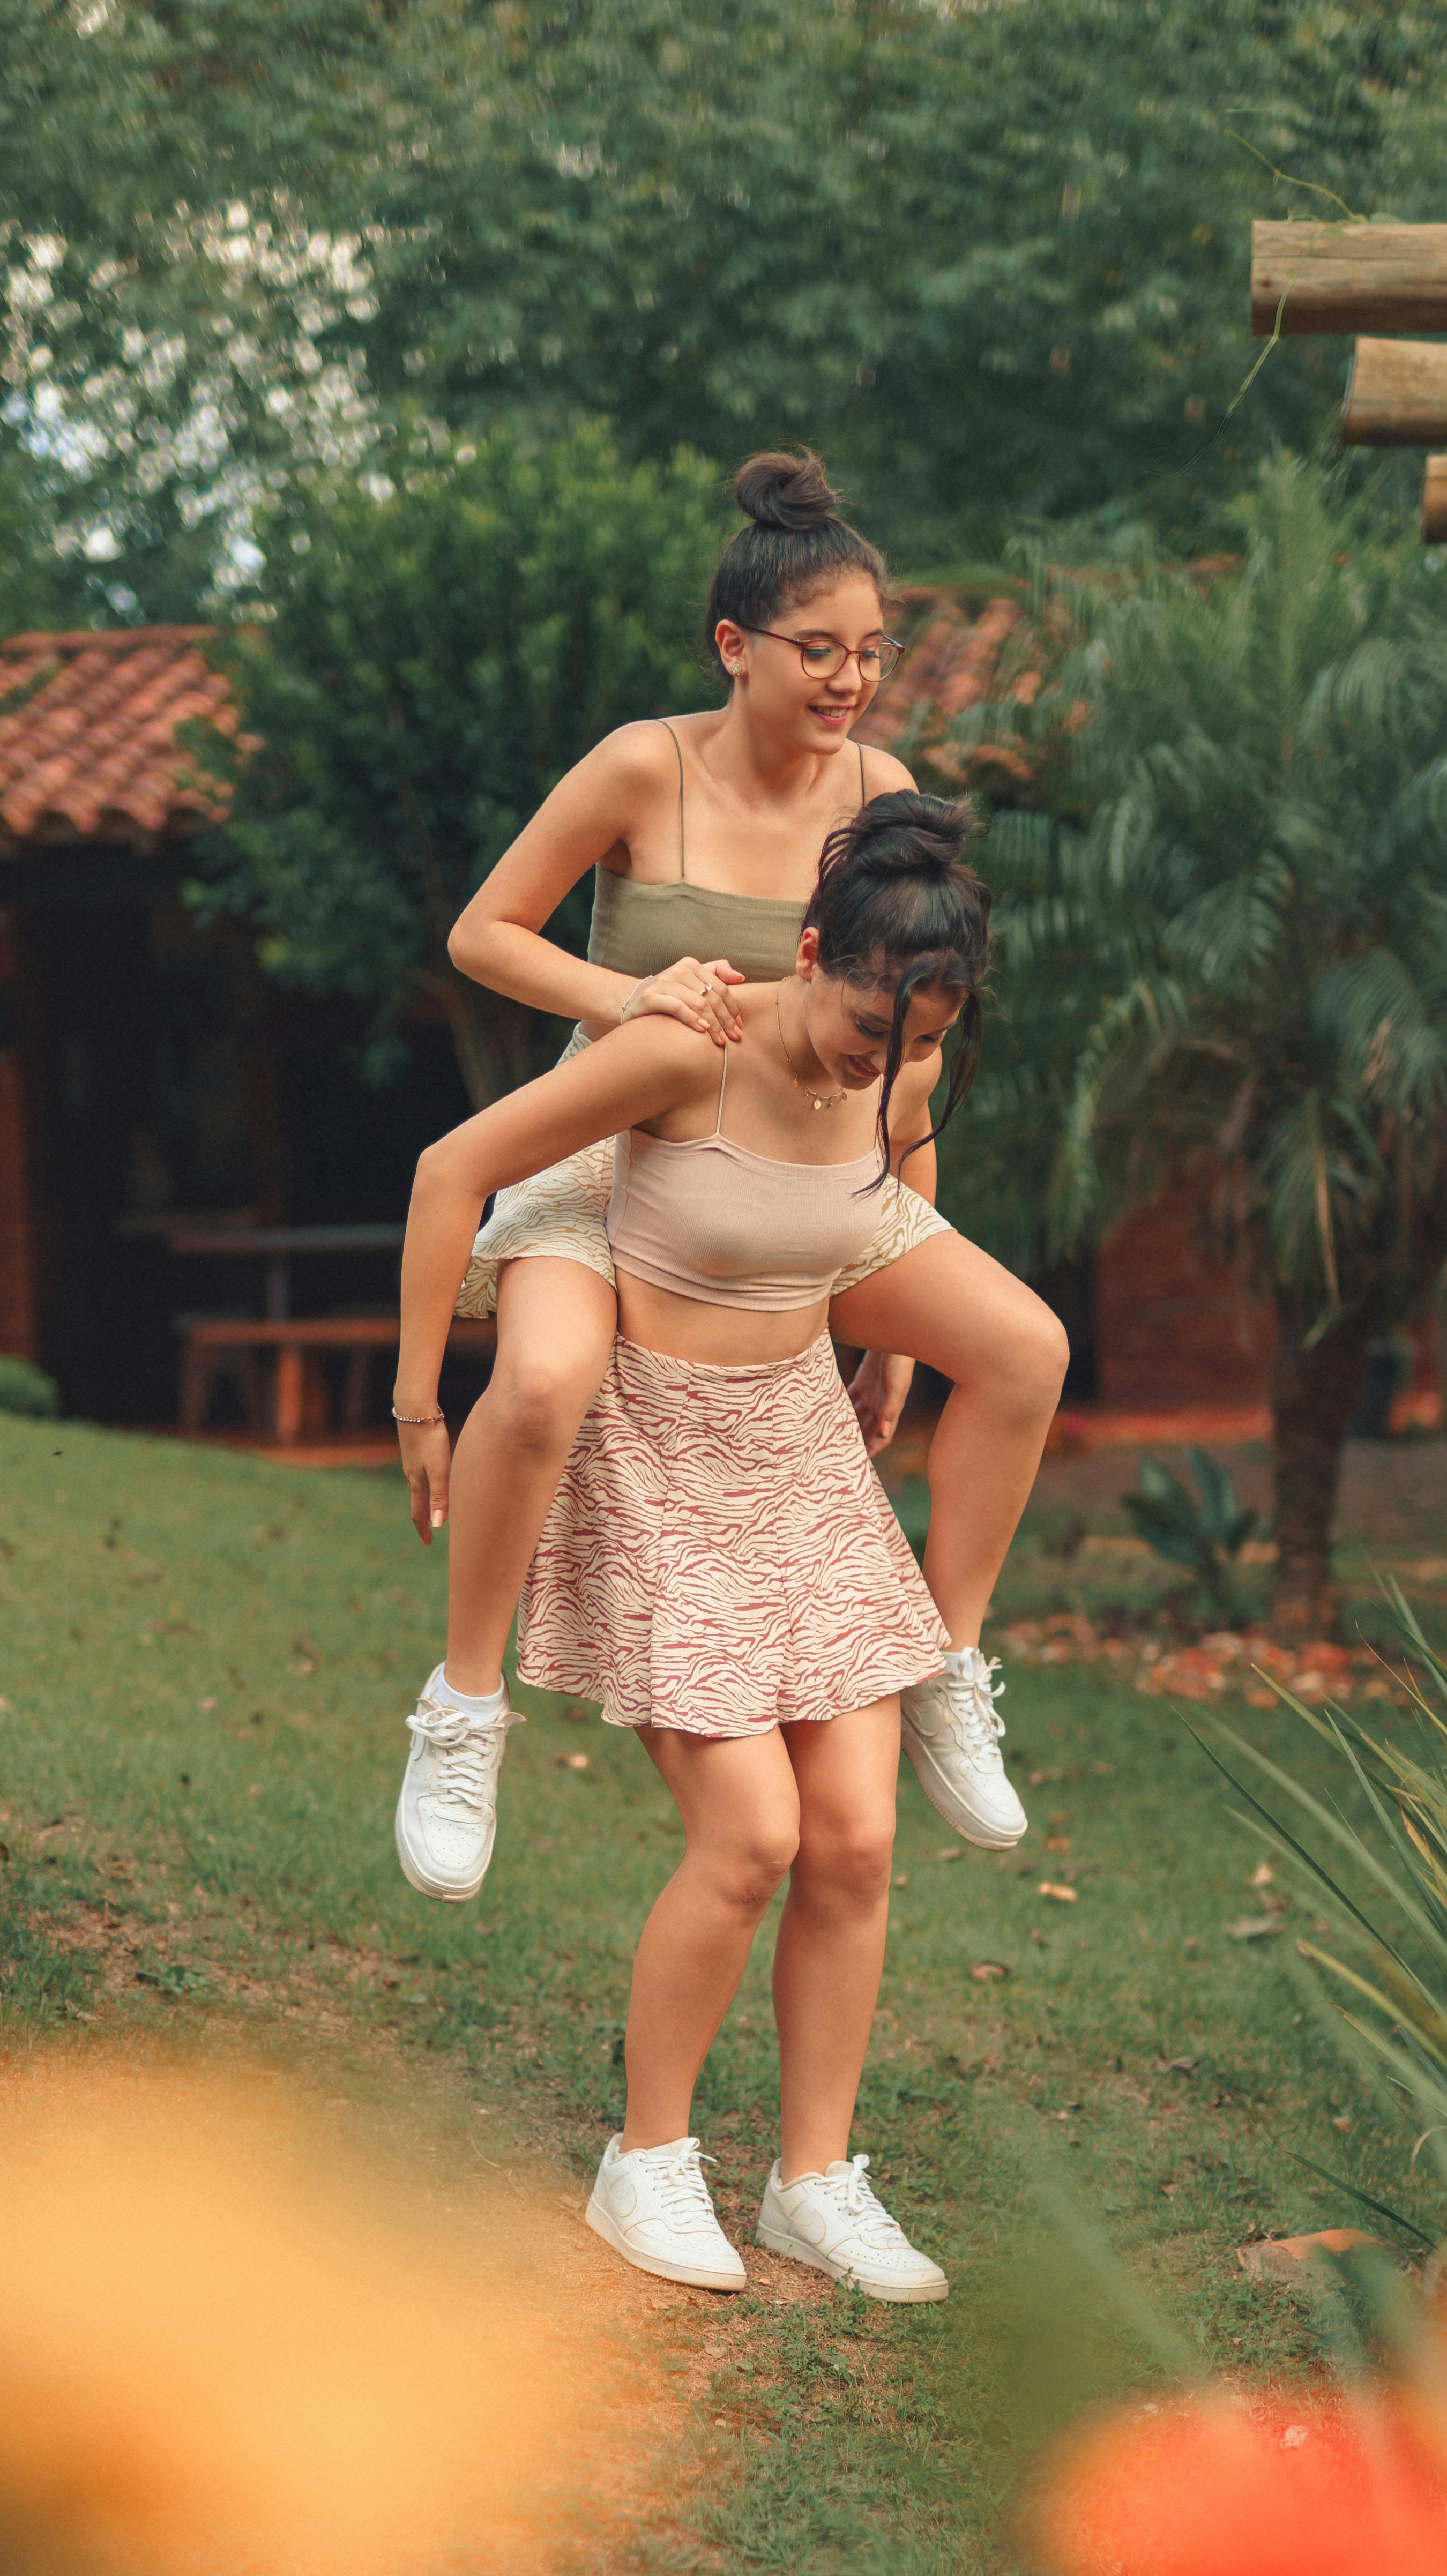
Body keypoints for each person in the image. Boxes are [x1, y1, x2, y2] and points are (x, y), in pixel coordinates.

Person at [392, 448, 1069, 1904]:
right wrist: (626, 996)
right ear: (734, 645)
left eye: (871, 652)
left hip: (799, 1166)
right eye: (818, 650)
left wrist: (892, 1287)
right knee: (544, 1384)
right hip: (612, 1141)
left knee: (1022, 1349)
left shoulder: (880, 789)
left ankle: (948, 1660)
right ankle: (463, 1708)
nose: (850, 680)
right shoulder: (646, 765)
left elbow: (903, 1049)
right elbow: (481, 936)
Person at [391, 796, 994, 2296]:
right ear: (810, 955)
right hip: (658, 1455)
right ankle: (645, 2161)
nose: (881, 1063)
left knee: (857, 1840)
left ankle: (813, 2184)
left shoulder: (899, 1072)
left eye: (917, 1041)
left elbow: (901, 1187)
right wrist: (417, 1405)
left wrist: (897, 1349)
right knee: (752, 1838)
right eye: (870, 1027)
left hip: (800, 1452)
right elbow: (452, 1171)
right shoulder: (686, 1049)